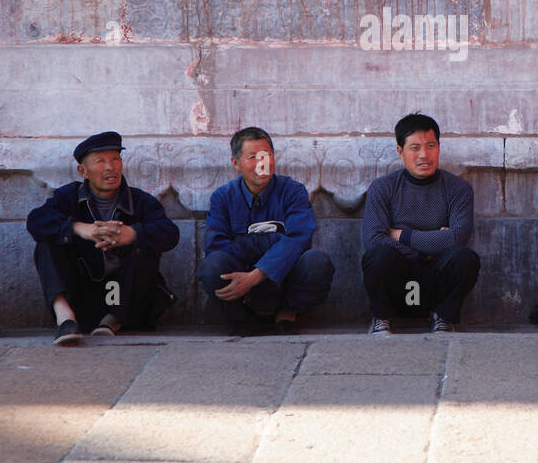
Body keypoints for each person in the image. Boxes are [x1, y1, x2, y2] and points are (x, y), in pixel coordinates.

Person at [26, 131, 179, 345]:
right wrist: (79, 228)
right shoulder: (68, 197)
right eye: (100, 161)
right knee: (49, 240)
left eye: (115, 159)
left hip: (125, 301)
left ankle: (112, 321)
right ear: (83, 171)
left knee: (143, 244)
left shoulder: (141, 201)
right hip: (83, 299)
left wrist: (132, 234)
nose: (110, 167)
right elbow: (35, 221)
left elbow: (170, 233)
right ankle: (65, 319)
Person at [200, 127, 334, 335]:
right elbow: (216, 246)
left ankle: (287, 313)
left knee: (317, 261)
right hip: (241, 281)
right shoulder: (223, 197)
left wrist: (256, 273)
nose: (262, 164)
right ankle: (245, 321)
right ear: (235, 163)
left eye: (266, 155)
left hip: (283, 278)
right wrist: (274, 242)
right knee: (213, 266)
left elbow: (299, 239)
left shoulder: (293, 191)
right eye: (252, 157)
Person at [361, 113, 479, 335]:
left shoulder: (458, 189)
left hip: (436, 283)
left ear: (439, 147)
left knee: (464, 258)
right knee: (378, 256)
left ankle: (444, 318)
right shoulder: (382, 188)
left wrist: (400, 235)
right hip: (398, 282)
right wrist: (429, 248)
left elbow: (455, 239)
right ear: (400, 151)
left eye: (430, 146)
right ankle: (382, 318)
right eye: (415, 147)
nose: (424, 155)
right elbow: (374, 239)